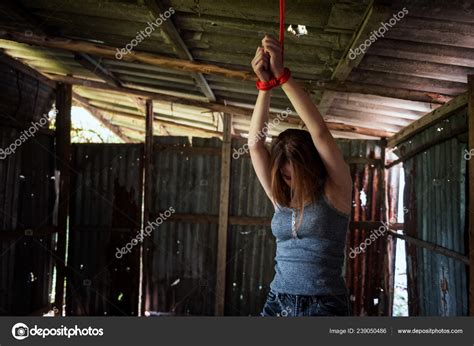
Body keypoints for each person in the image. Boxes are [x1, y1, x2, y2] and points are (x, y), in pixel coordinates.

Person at [249, 36, 353, 316]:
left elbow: (318, 131)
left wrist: (283, 76)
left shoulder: (336, 190)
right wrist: (264, 85)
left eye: (293, 175)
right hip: (277, 301)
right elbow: (255, 145)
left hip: (324, 306)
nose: (288, 181)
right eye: (283, 176)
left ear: (310, 168)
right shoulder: (280, 198)